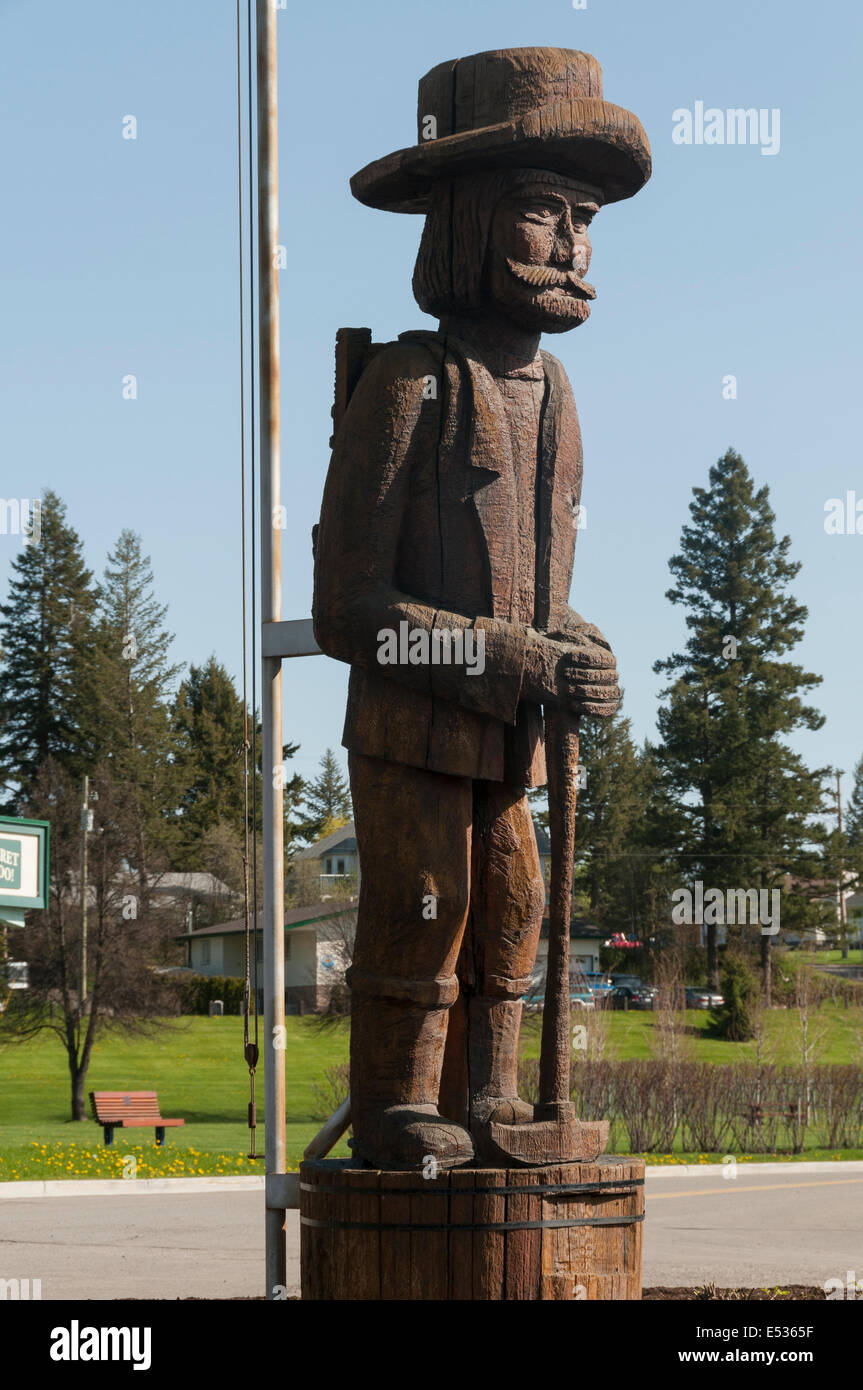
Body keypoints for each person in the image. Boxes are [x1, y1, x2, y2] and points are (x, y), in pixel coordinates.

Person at [313, 47, 650, 1169]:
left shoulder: (554, 394)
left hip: (509, 740)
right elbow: (347, 609)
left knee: (513, 899)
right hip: (413, 726)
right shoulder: (406, 385)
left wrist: (578, 649)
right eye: (538, 214)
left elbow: (543, 593)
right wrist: (506, 654)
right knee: (422, 897)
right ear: (460, 219)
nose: (569, 247)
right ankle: (399, 1102)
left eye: (583, 218)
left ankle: (493, 1096)